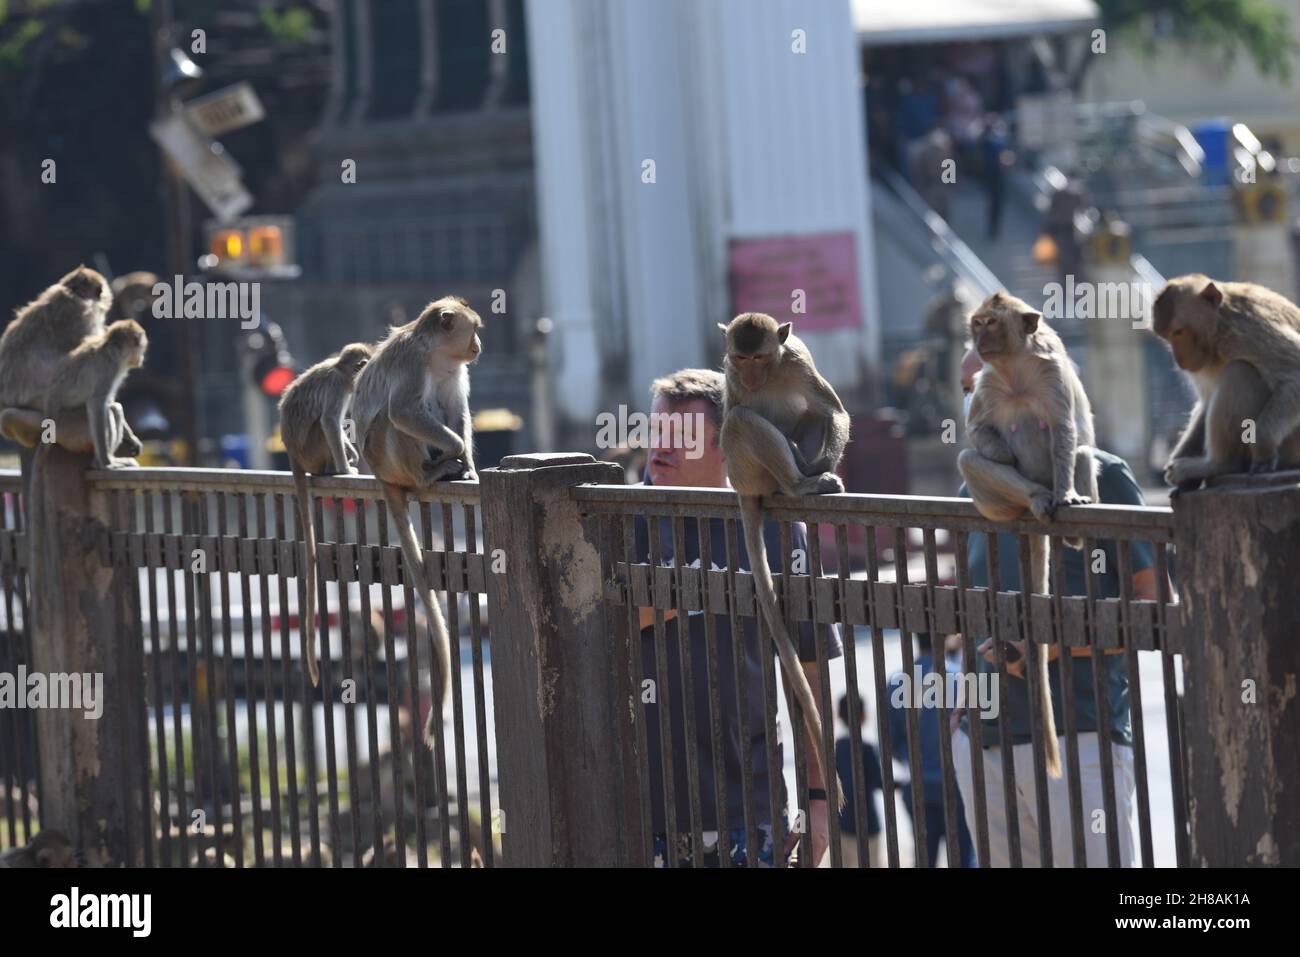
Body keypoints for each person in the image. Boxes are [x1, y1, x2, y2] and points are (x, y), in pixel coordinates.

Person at [632, 369, 844, 867]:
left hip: (749, 812)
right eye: (654, 434)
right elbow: (582, 640)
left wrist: (818, 802)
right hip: (637, 811)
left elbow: (810, 673)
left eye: (679, 437)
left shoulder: (774, 529)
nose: (659, 450)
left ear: (728, 447)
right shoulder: (619, 519)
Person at [952, 349, 1150, 866]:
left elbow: (1154, 611)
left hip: (1079, 733)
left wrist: (1057, 647)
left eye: (988, 381)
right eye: (967, 386)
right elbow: (967, 609)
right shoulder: (974, 487)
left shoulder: (1103, 477)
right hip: (985, 743)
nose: (976, 395)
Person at [887, 632, 978, 867]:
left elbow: (890, 742)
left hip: (918, 784)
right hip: (957, 784)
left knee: (924, 857)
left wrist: (911, 759)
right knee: (964, 855)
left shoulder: (898, 681)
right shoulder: (960, 678)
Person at [835, 693, 884, 867]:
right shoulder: (868, 747)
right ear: (864, 716)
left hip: (843, 822)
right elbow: (879, 782)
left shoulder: (836, 747)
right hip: (869, 821)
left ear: (839, 716)